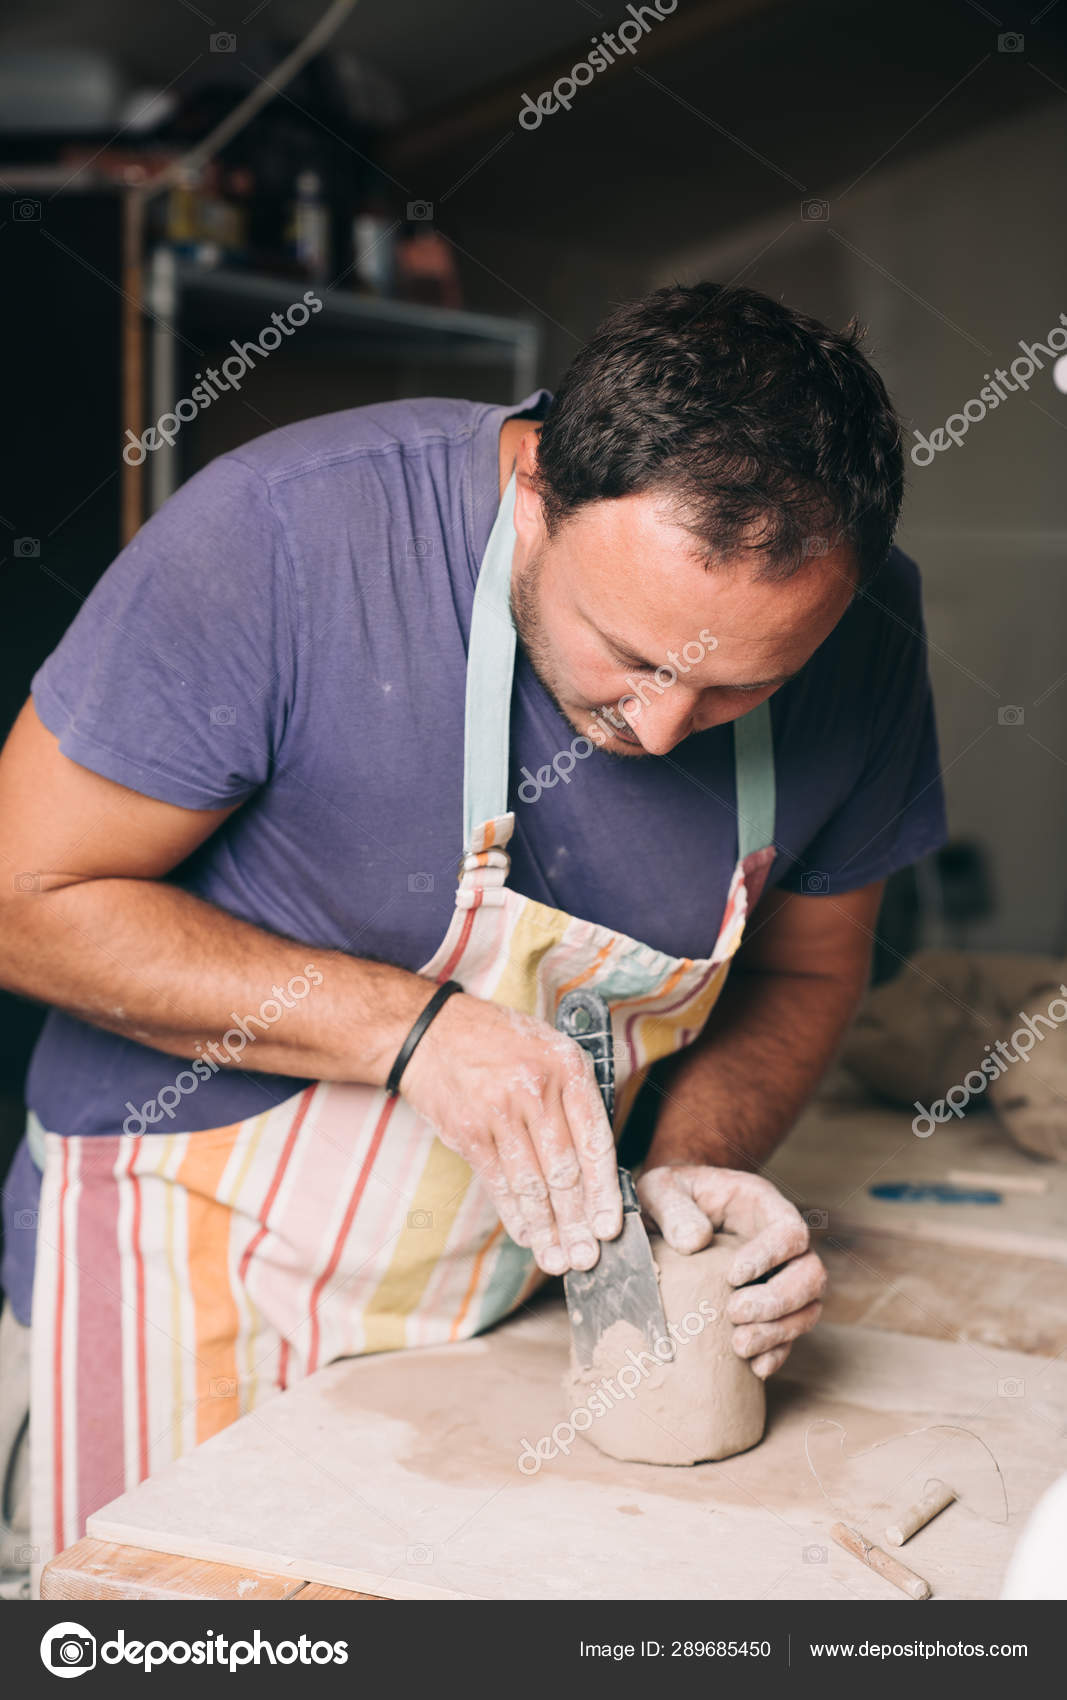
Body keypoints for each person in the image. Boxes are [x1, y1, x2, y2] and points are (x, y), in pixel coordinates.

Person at [0, 283, 945, 1563]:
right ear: (534, 490)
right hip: (183, 1249)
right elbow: (22, 900)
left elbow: (809, 964)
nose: (657, 730)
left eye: (741, 688)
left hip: (504, 1289)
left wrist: (690, 1166)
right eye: (625, 653)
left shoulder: (868, 632)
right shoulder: (286, 535)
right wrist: (417, 1030)